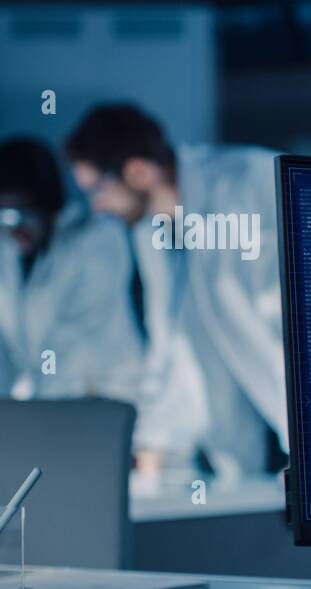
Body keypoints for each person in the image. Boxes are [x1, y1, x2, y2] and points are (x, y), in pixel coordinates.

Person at [65, 105, 286, 476]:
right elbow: (173, 344)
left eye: (97, 189)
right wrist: (156, 438)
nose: (96, 207)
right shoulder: (152, 233)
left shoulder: (252, 178)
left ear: (137, 171)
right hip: (251, 441)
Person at [0, 137, 142, 402]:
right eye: (3, 216)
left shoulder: (97, 240)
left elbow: (72, 341)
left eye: (23, 214)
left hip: (103, 396)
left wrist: (27, 403)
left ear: (50, 207)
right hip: (46, 406)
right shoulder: (7, 253)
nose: (14, 230)